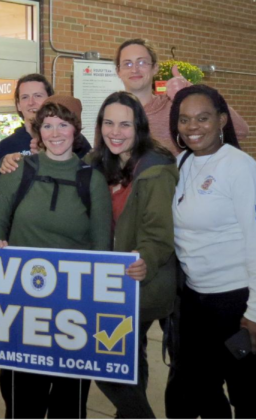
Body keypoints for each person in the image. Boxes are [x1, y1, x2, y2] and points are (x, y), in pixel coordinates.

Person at [0, 95, 111, 419]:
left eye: (63, 125)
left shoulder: (92, 179)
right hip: (23, 302)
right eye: (48, 125)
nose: (55, 133)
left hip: (73, 306)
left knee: (69, 401)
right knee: (23, 397)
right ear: (38, 131)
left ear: (76, 129)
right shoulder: (18, 170)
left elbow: (102, 246)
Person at [169, 85, 256, 418]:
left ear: (222, 119)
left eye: (203, 118)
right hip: (199, 299)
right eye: (185, 119)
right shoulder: (181, 163)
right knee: (200, 385)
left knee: (245, 390)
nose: (193, 127)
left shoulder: (239, 167)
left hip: (242, 298)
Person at [87, 91, 178, 418]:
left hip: (143, 281)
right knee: (125, 364)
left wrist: (146, 260)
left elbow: (159, 231)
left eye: (125, 124)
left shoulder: (156, 167)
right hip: (106, 285)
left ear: (138, 128)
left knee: (109, 364)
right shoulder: (95, 164)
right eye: (108, 122)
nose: (115, 131)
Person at [114, 38, 249, 155]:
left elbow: (240, 130)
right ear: (118, 71)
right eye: (127, 63)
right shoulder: (111, 113)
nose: (134, 69)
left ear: (155, 68)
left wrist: (193, 93)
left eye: (142, 62)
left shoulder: (175, 106)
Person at [0, 73, 91, 174]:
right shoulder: (6, 146)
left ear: (51, 100)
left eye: (38, 96)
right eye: (25, 97)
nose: (31, 102)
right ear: (18, 105)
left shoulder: (73, 140)